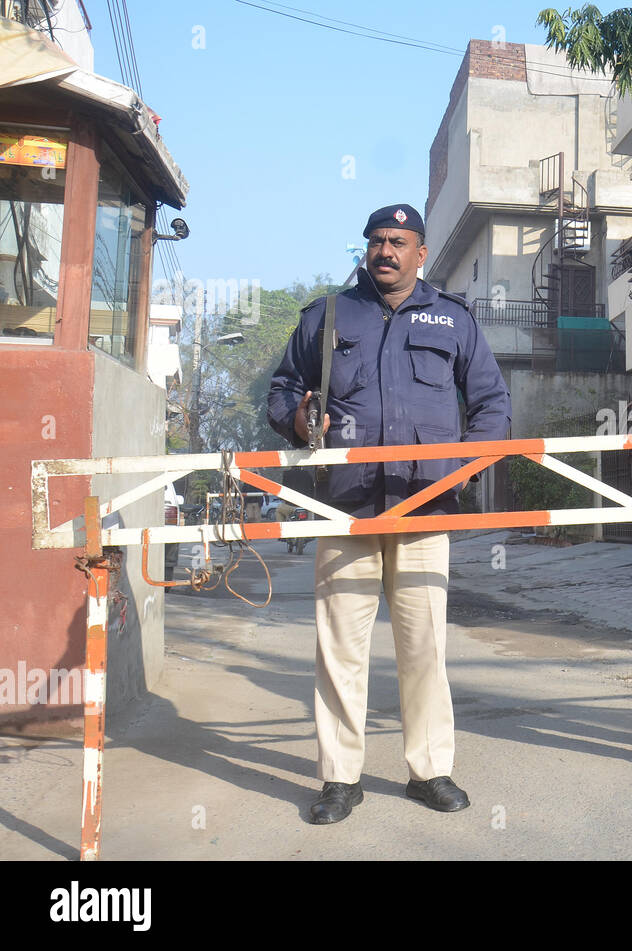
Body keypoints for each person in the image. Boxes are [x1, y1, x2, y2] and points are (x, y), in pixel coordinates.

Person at [267, 203, 510, 823]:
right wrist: (298, 418)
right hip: (344, 504)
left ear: (420, 251)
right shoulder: (327, 316)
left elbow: (491, 401)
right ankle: (340, 779)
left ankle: (429, 770)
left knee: (423, 646)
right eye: (376, 240)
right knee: (340, 649)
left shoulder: (453, 319)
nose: (385, 251)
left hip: (424, 506)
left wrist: (467, 467)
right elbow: (283, 389)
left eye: (398, 242)